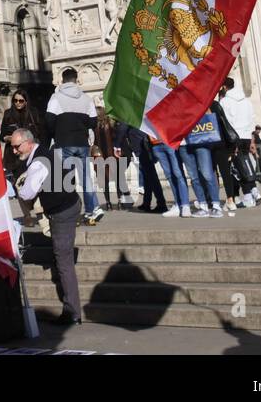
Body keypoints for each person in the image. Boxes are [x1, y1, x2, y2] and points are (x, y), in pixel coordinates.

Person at [10, 127, 81, 326]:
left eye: (17, 147)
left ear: (28, 142)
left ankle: (72, 312)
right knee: (61, 255)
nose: (15, 151)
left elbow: (26, 194)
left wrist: (20, 184)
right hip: (67, 204)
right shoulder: (42, 153)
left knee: (63, 259)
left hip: (63, 210)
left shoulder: (37, 163)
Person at [46, 68, 103, 223]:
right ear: (76, 80)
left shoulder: (56, 98)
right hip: (82, 144)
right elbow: (93, 122)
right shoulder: (86, 98)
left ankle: (70, 212)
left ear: (62, 80)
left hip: (64, 142)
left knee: (66, 179)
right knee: (86, 179)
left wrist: (56, 133)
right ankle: (92, 209)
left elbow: (49, 120)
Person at [177, 109, 224, 217]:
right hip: (183, 143)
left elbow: (208, 115)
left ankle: (216, 206)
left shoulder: (196, 99)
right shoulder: (174, 103)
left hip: (200, 139)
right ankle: (203, 206)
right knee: (194, 177)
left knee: (207, 174)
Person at [113, 119, 166, 213]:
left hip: (141, 144)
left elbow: (123, 126)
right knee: (147, 176)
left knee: (151, 176)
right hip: (143, 143)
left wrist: (116, 145)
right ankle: (147, 202)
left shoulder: (129, 108)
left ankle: (161, 203)